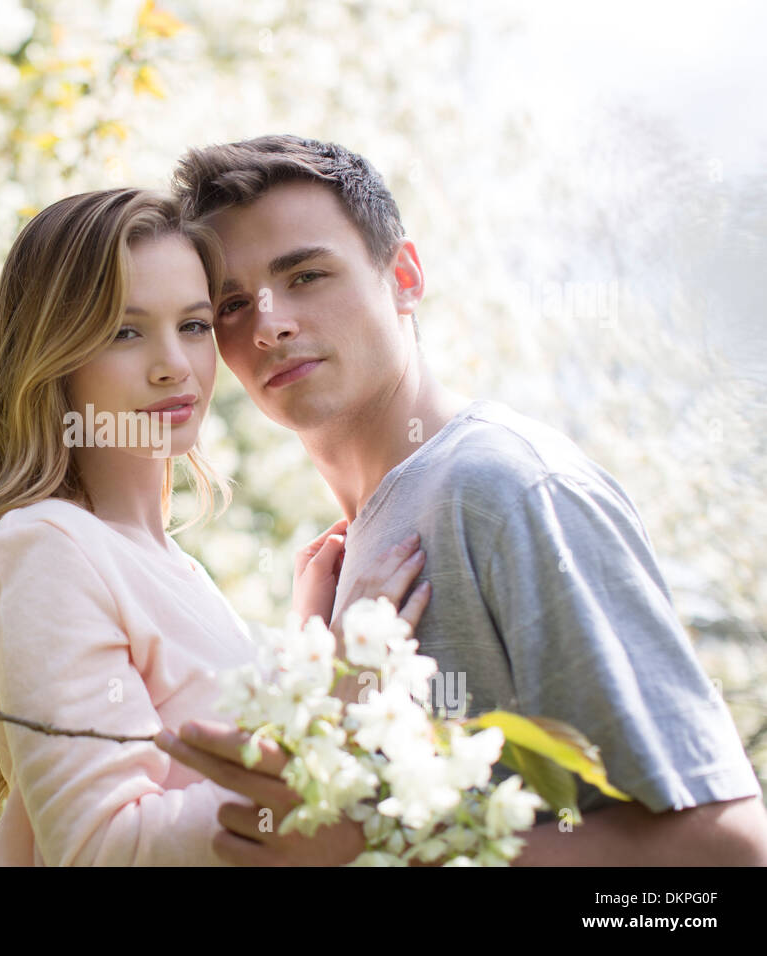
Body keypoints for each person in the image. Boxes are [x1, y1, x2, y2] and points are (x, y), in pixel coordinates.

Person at [155, 134, 767, 865]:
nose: (269, 323)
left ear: (405, 275)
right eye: (229, 304)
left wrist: (382, 858)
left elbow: (725, 850)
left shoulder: (504, 486)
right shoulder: (346, 563)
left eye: (308, 276)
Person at [0, 187, 430, 866]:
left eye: (195, 325)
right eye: (125, 331)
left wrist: (305, 651)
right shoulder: (44, 549)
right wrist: (332, 702)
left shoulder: (174, 566)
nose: (172, 365)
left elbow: (196, 758)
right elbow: (101, 847)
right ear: (52, 356)